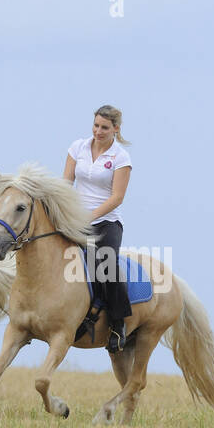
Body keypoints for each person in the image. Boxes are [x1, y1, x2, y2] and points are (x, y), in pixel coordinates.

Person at [63, 105, 133, 353]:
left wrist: (89, 216)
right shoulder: (77, 148)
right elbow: (66, 183)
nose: (98, 131)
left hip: (106, 222)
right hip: (74, 219)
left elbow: (117, 197)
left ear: (115, 129)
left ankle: (117, 323)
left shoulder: (120, 157)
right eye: (95, 125)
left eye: (104, 127)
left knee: (105, 263)